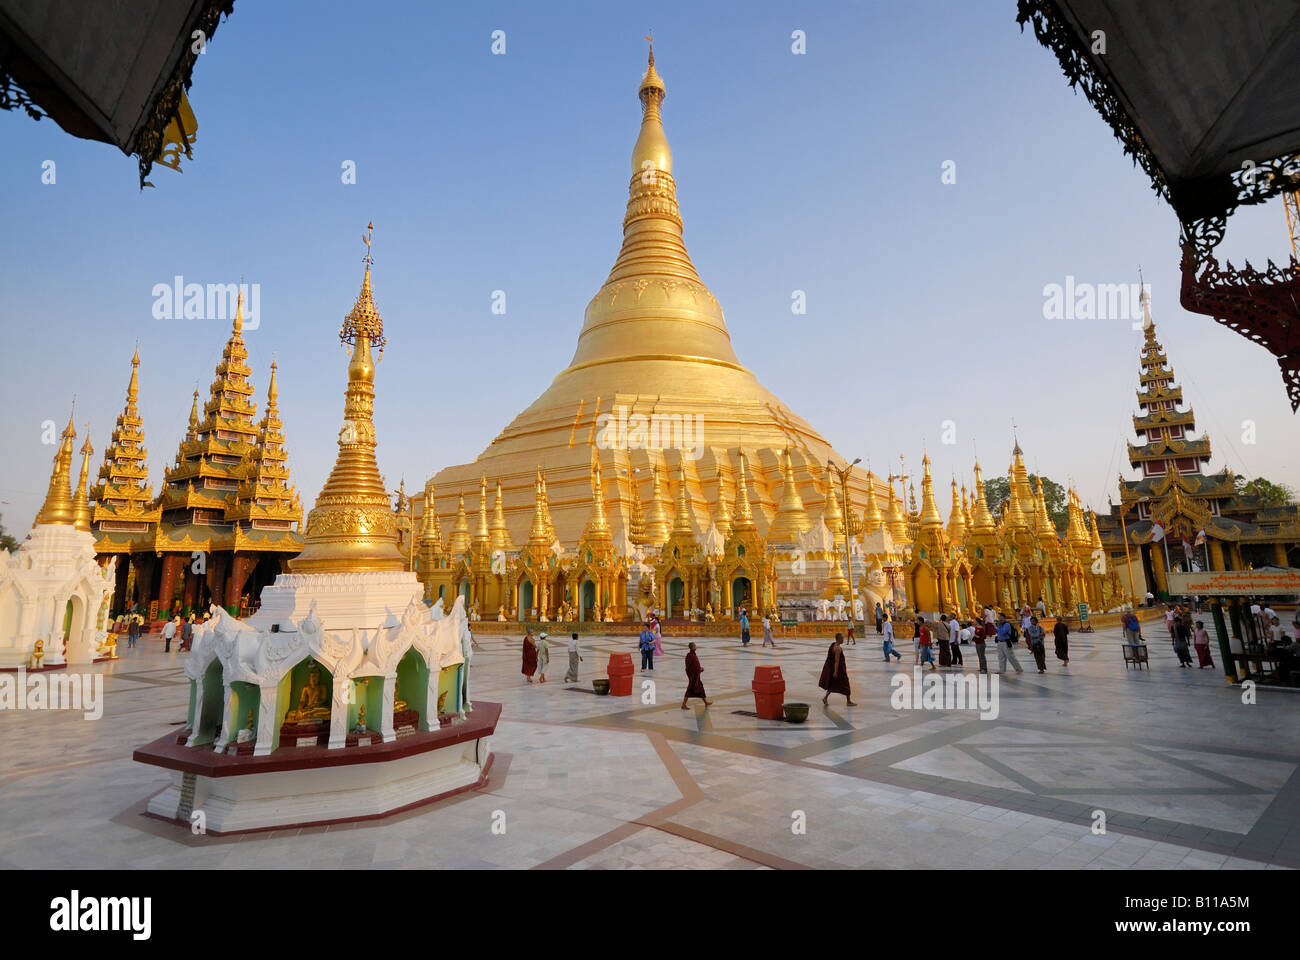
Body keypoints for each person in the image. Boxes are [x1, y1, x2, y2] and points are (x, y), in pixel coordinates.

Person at [819, 633, 856, 705]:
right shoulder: (838, 648)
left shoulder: (833, 645)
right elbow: (836, 661)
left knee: (833, 684)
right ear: (839, 639)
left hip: (833, 669)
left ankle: (825, 698)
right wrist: (836, 672)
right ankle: (848, 701)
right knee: (846, 684)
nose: (843, 639)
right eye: (842, 638)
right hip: (839, 670)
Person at [681, 642, 711, 708]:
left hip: (696, 677)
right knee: (689, 691)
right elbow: (689, 667)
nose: (696, 647)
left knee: (701, 689)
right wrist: (700, 670)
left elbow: (696, 666)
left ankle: (706, 703)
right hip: (693, 677)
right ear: (692, 647)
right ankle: (683, 704)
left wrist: (699, 669)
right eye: (695, 646)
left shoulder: (693, 655)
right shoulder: (690, 656)